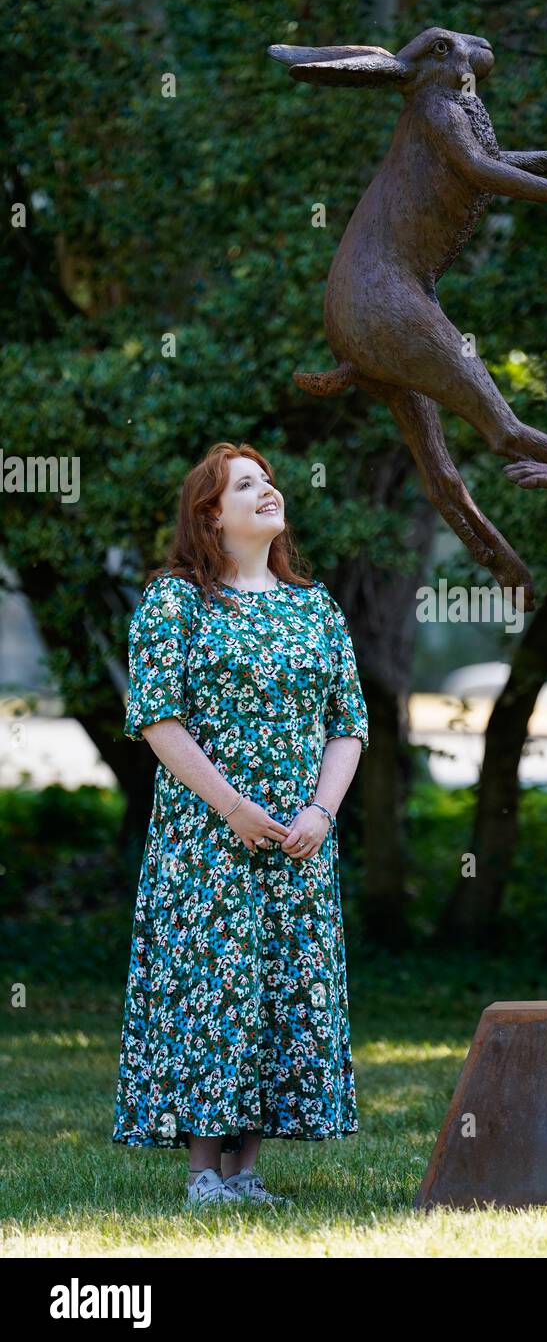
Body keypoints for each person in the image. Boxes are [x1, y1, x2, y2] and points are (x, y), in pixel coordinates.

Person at [112, 441, 368, 1208]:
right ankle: (201, 1177)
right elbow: (156, 720)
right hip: (208, 840)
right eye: (246, 485)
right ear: (210, 515)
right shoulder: (175, 601)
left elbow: (347, 724)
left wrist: (321, 812)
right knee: (211, 988)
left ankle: (244, 1175)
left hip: (297, 839)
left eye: (269, 480)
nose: (268, 491)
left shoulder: (312, 606)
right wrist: (232, 807)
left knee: (276, 987)